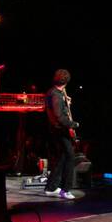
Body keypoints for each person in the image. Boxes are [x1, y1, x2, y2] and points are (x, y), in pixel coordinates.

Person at [44, 69, 80, 199]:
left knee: (62, 157)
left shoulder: (53, 92)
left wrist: (66, 103)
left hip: (55, 129)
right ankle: (66, 190)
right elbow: (59, 116)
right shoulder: (56, 95)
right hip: (60, 130)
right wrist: (73, 124)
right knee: (70, 156)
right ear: (66, 82)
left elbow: (56, 110)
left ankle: (51, 187)